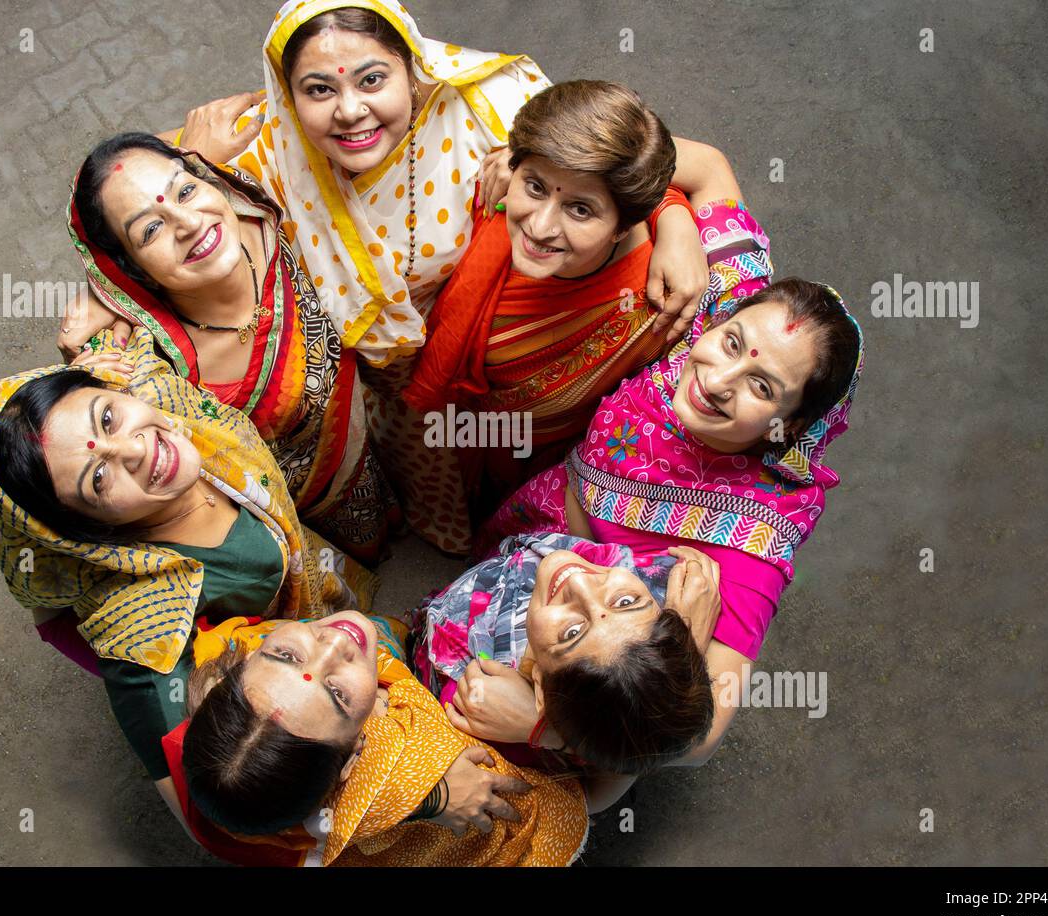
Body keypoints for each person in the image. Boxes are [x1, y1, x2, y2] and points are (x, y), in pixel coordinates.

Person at [172, 0, 714, 553]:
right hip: (383, 384)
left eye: (373, 79)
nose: (350, 110)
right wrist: (189, 165)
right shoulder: (263, 149)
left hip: (484, 345)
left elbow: (634, 164)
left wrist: (671, 218)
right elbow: (119, 200)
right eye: (319, 90)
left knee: (497, 451)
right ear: (289, 96)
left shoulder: (487, 109)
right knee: (429, 472)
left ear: (415, 71)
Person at [0, 324, 375, 822]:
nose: (135, 451)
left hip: (306, 562)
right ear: (81, 529)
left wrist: (88, 341)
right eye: (100, 478)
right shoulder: (143, 630)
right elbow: (216, 803)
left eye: (107, 417)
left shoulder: (148, 383)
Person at [465, 278, 864, 789]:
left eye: (762, 387)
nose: (719, 380)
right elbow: (708, 194)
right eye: (732, 342)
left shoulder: (753, 538)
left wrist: (543, 728)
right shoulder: (709, 317)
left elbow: (699, 741)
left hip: (579, 621)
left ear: (790, 424)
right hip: (531, 527)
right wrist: (676, 219)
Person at [404, 79, 751, 514]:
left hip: (559, 451)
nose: (540, 226)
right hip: (475, 431)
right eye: (534, 187)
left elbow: (706, 167)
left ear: (625, 225)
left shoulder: (666, 298)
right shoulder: (493, 184)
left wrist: (674, 214)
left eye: (580, 210)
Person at [61, 132, 400, 564]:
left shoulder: (261, 198)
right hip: (302, 493)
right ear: (129, 270)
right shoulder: (148, 368)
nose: (187, 223)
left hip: (366, 425)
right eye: (150, 229)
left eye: (185, 190)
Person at [164, 612, 589, 865]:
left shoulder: (240, 751)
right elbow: (530, 803)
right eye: (337, 694)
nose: (333, 643)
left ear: (237, 669)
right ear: (352, 759)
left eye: (286, 656)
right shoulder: (413, 763)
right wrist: (431, 797)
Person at [413, 533, 721, 776]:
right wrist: (686, 633)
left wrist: (542, 733)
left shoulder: (474, 696)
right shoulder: (674, 589)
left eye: (571, 634)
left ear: (542, 692)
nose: (579, 581)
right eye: (627, 601)